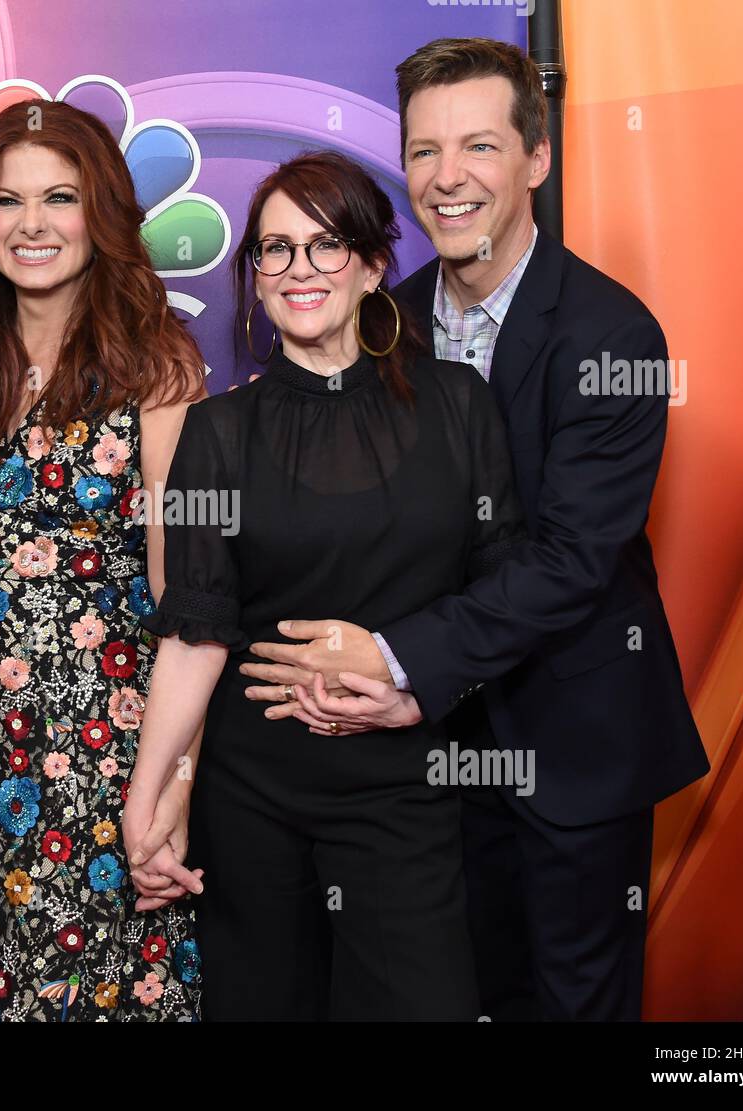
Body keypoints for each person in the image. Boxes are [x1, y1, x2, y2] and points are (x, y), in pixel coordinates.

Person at [242, 38, 710, 1020]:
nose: (446, 179)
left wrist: (394, 660)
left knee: (575, 1002)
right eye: (423, 151)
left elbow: (569, 560)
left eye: (479, 147)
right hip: (421, 764)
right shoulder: (385, 321)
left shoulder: (613, 336)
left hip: (569, 744)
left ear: (535, 157)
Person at [123, 151, 524, 1021]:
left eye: (326, 244)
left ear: (376, 264)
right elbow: (194, 633)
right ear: (255, 276)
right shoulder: (216, 432)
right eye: (276, 249)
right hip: (253, 798)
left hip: (405, 792)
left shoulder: (459, 408)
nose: (300, 269)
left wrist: (412, 689)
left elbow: (506, 596)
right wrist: (147, 795)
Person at [0, 99, 206, 1022]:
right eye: (8, 200)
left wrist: (175, 786)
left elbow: (187, 599)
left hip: (101, 756)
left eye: (60, 197)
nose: (32, 224)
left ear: (100, 212)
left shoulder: (157, 369)